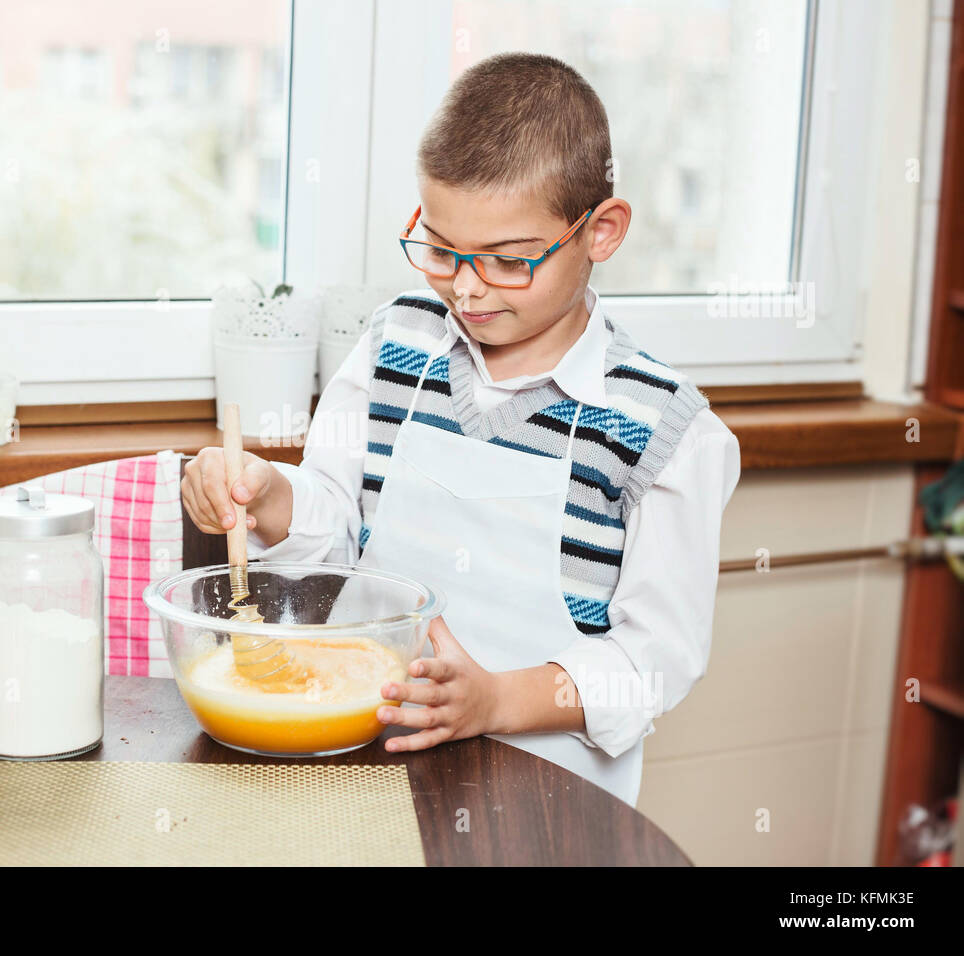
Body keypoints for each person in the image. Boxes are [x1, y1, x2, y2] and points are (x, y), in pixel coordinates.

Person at [182, 52, 741, 806]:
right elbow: (335, 527)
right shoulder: (397, 343)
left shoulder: (662, 428)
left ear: (601, 231)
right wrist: (268, 493)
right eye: (442, 250)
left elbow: (654, 661)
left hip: (548, 806)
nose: (467, 287)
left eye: (509, 261)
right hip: (367, 766)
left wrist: (496, 701)